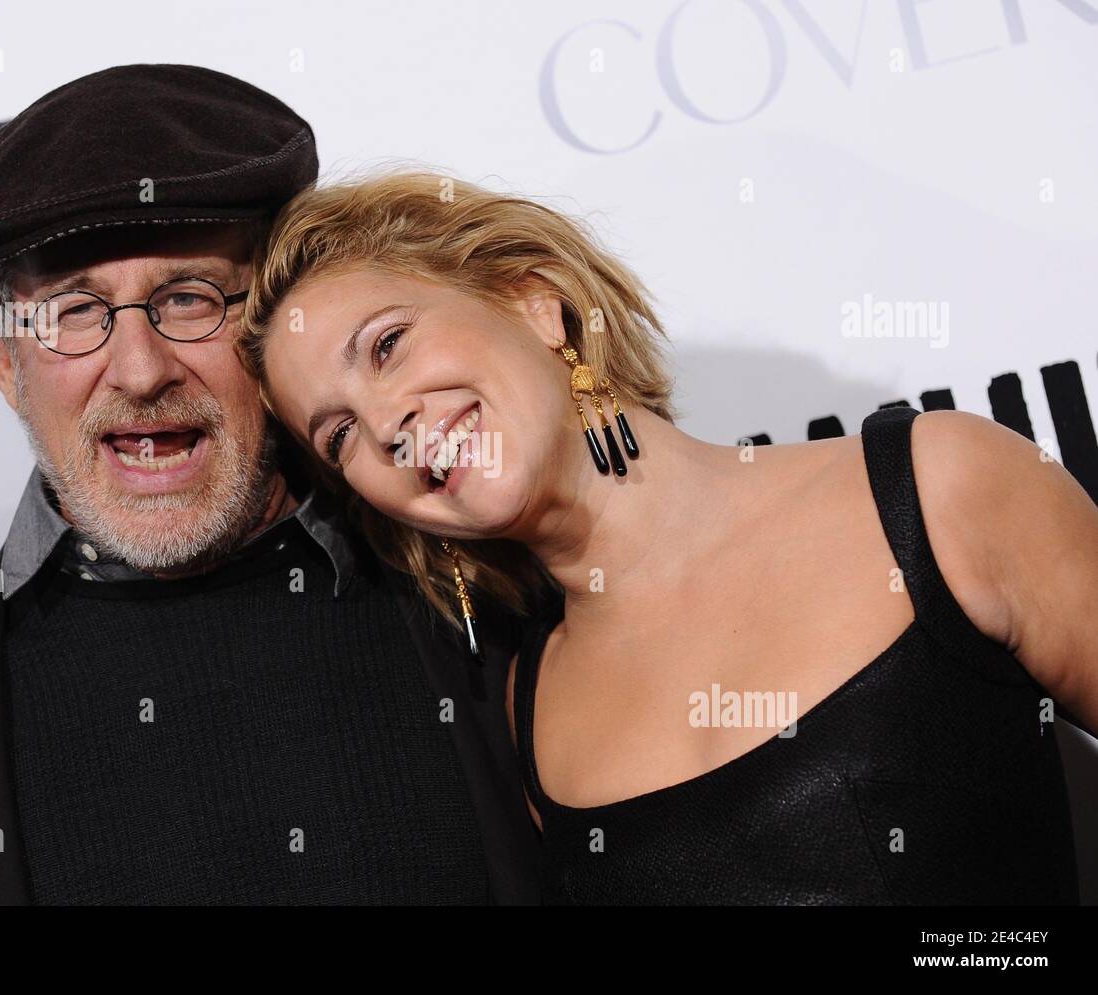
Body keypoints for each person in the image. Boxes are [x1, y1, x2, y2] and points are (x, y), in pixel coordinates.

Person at [241, 170, 1098, 904]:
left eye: (388, 344)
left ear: (535, 302)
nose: (387, 423)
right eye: (339, 435)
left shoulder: (935, 488)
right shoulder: (527, 708)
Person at [0, 68, 540, 905]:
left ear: (275, 319)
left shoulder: (478, 566)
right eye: (74, 312)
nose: (141, 370)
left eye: (188, 299)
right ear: (2, 358)